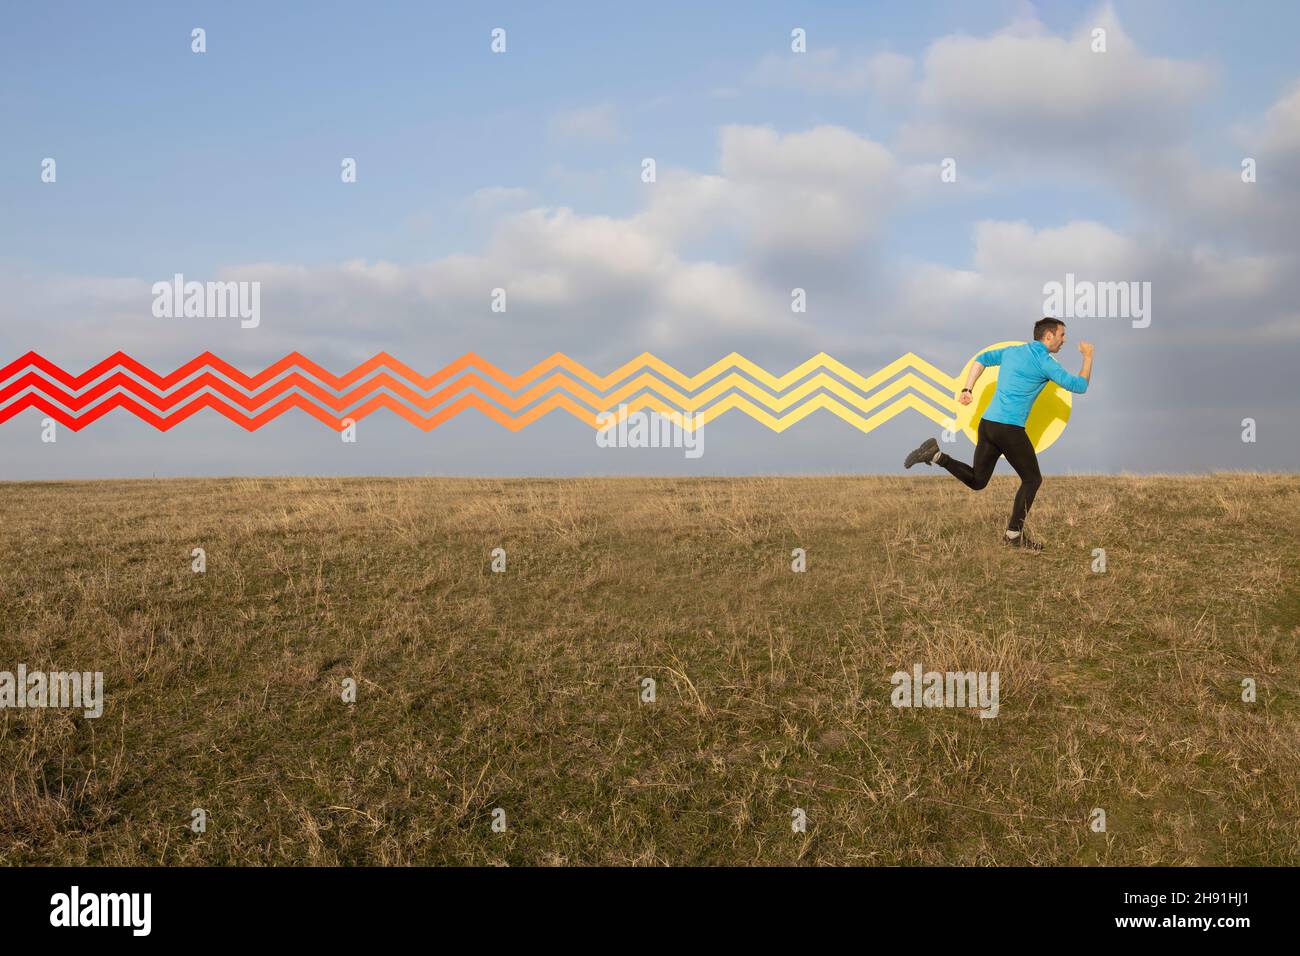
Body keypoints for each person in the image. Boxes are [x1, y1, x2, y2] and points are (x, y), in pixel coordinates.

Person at [903, 318, 1094, 551]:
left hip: (988, 425)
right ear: (1049, 336)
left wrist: (967, 389)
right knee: (1033, 479)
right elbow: (1080, 386)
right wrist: (1087, 356)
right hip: (1009, 429)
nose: (1064, 340)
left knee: (977, 480)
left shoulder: (1012, 352)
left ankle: (935, 455)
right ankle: (1013, 535)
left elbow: (981, 360)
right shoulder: (1045, 361)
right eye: (1062, 335)